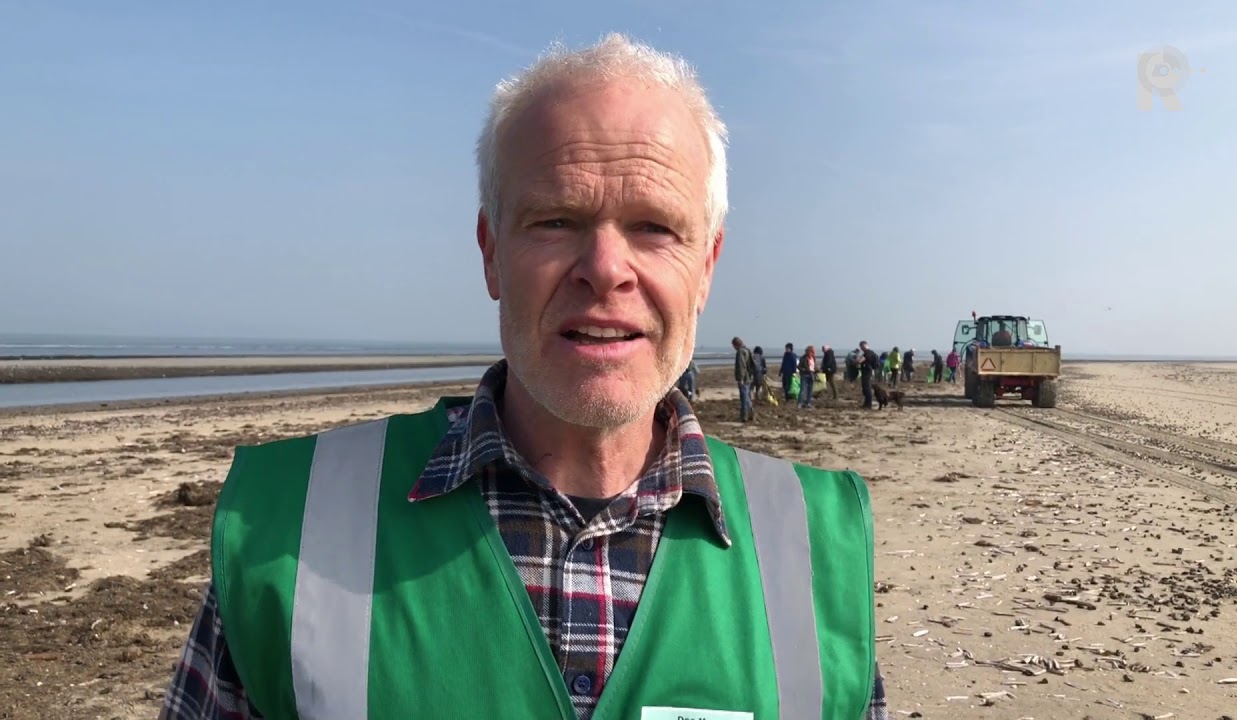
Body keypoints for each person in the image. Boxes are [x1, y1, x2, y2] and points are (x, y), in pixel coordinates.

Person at [158, 34, 887, 720]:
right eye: (555, 221)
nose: (605, 269)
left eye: (654, 227)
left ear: (706, 268)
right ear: (490, 253)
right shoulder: (288, 528)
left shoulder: (814, 551)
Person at [733, 337, 755, 422]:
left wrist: (740, 378)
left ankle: (744, 416)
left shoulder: (740, 352)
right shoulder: (747, 350)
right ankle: (750, 414)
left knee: (744, 398)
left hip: (744, 378)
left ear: (736, 345)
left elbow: (741, 366)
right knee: (747, 397)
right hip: (748, 377)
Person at [798, 344, 818, 409]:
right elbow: (799, 366)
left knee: (810, 390)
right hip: (805, 375)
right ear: (809, 351)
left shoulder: (813, 358)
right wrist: (804, 370)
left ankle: (808, 403)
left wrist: (817, 370)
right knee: (803, 389)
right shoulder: (803, 358)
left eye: (813, 352)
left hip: (811, 375)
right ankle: (800, 403)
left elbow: (814, 366)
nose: (813, 353)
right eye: (812, 352)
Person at [859, 340, 877, 409]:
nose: (862, 348)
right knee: (865, 388)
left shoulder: (868, 353)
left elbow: (860, 361)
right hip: (867, 371)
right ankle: (866, 403)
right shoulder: (868, 353)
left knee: (867, 388)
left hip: (867, 372)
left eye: (862, 346)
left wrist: (855, 361)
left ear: (866, 345)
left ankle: (868, 404)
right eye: (861, 347)